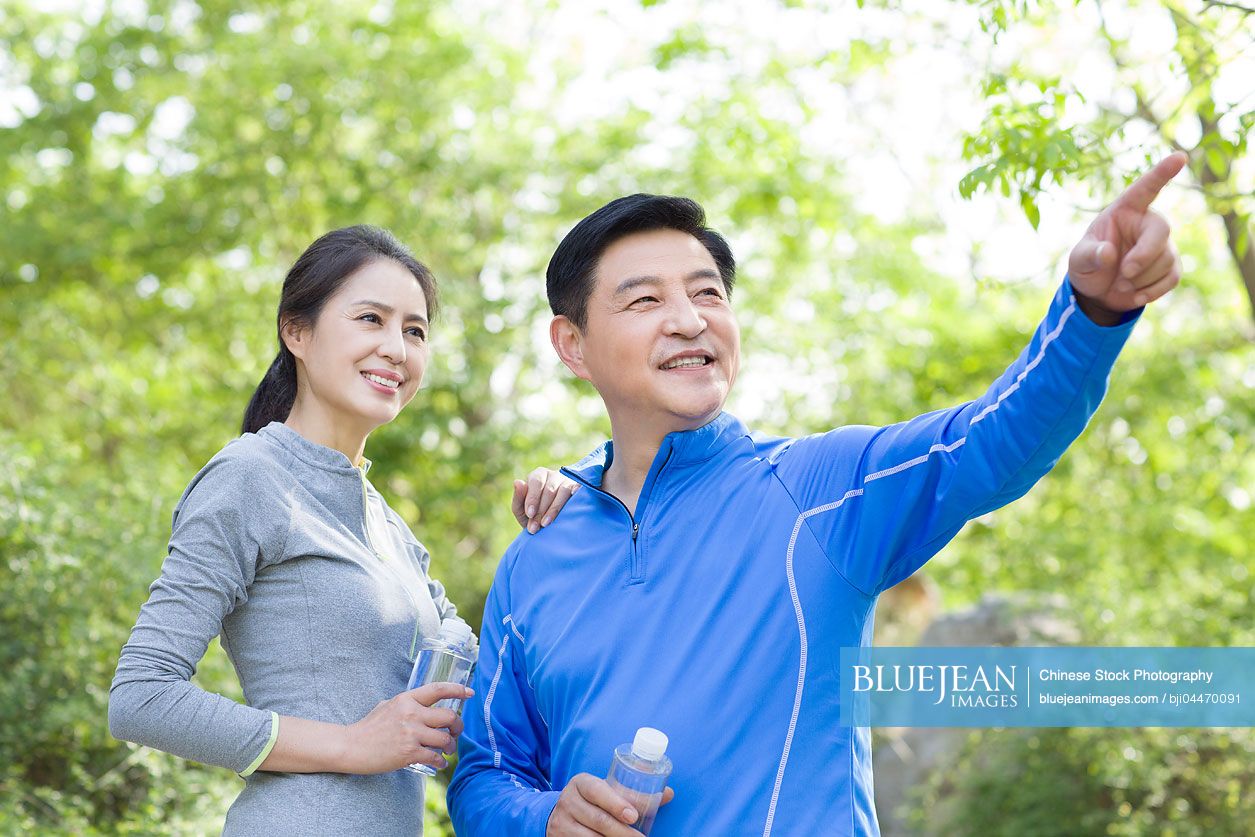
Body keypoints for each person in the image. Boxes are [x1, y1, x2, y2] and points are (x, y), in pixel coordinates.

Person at [447, 155, 1188, 836]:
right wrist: (544, 815)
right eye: (644, 300)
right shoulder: (536, 556)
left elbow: (993, 439)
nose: (689, 318)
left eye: (707, 292)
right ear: (572, 345)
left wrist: (1090, 312)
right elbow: (483, 774)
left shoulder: (817, 488)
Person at [108, 225, 576, 835]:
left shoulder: (388, 526)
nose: (396, 348)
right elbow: (141, 698)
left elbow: (485, 674)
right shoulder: (251, 476)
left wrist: (561, 513)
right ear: (295, 332)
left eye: (414, 330)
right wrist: (353, 745)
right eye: (370, 319)